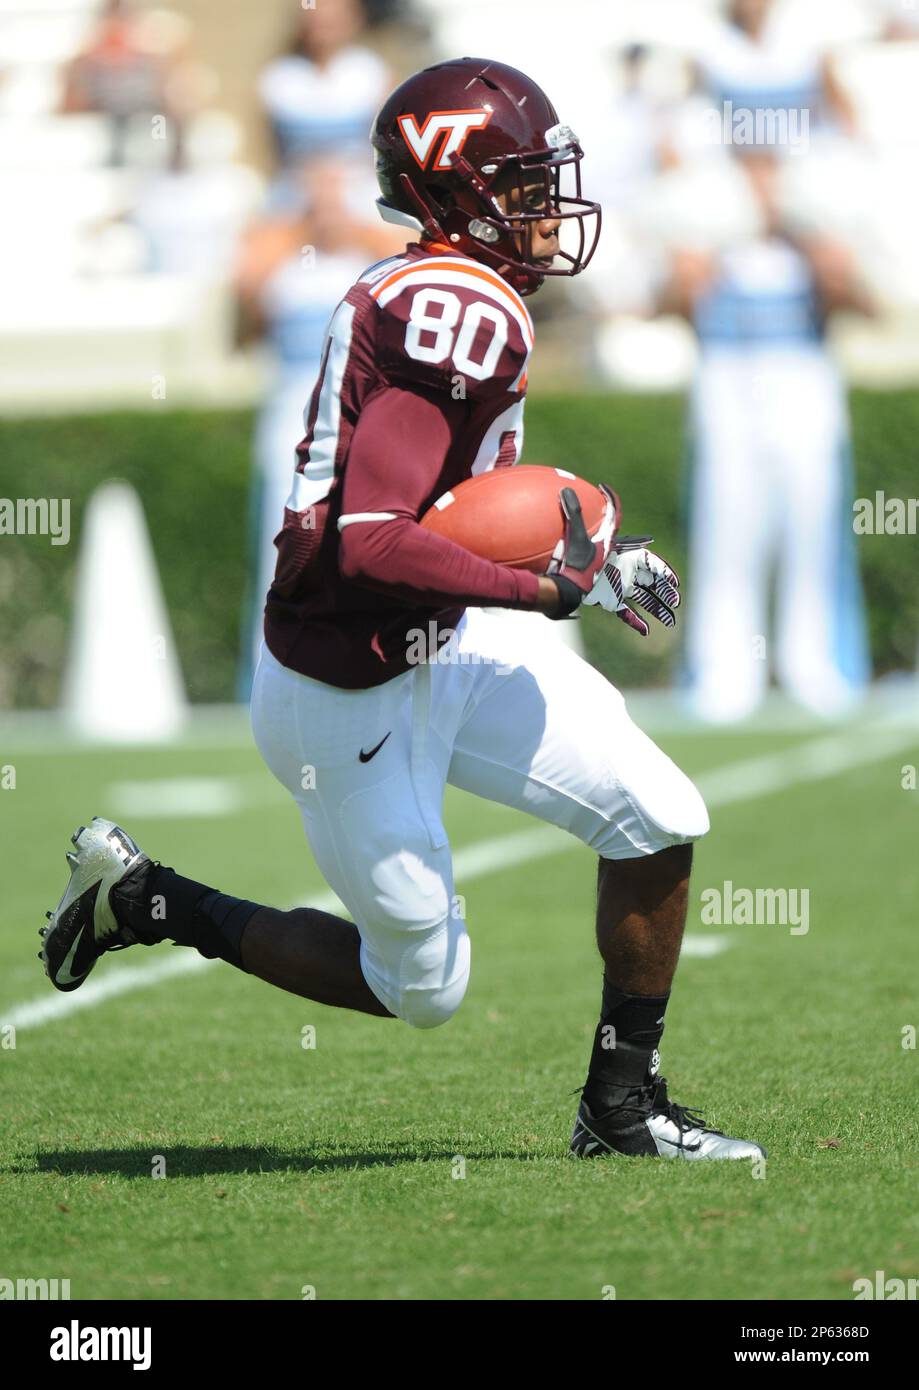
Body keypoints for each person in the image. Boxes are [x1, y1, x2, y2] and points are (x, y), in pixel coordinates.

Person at [40, 58, 764, 1162]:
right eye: (519, 185)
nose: (543, 208)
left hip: (449, 642)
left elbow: (461, 507)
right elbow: (373, 537)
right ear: (452, 191)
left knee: (657, 813)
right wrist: (542, 590)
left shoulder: (458, 295)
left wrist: (591, 553)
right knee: (421, 987)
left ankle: (622, 1106)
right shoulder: (451, 308)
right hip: (347, 685)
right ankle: (149, 899)